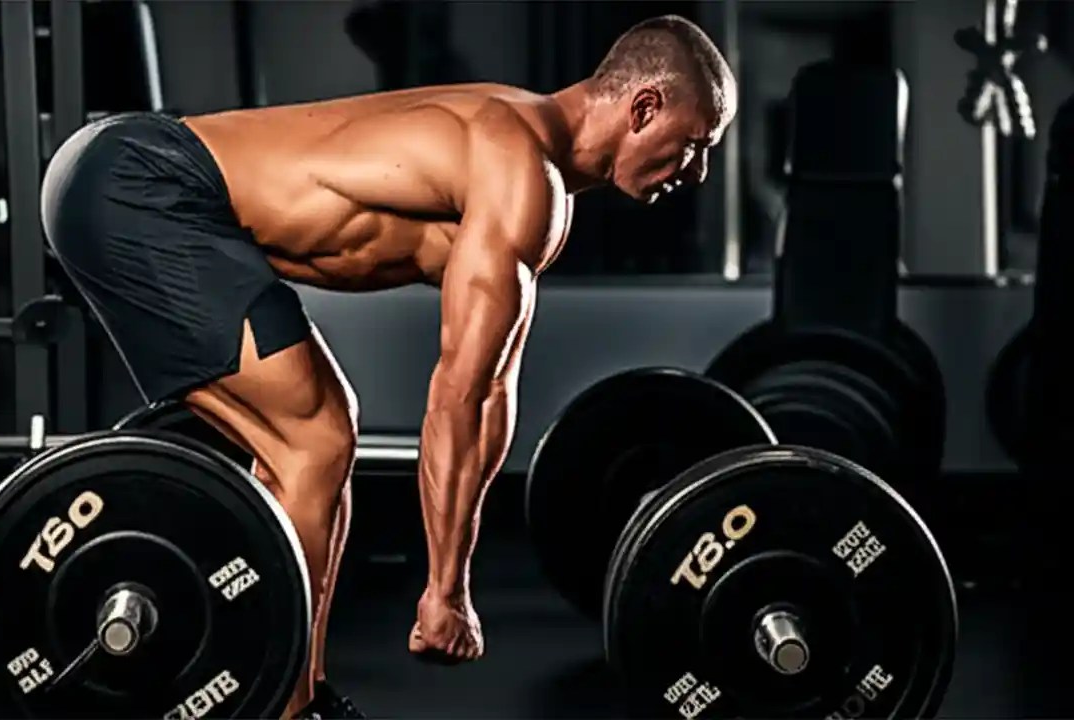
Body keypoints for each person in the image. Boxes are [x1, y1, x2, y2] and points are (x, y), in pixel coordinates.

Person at [40, 14, 736, 720]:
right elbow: (462, 392)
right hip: (144, 184)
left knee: (315, 440)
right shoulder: (520, 173)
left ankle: (290, 694)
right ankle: (279, 703)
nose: (699, 170)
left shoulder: (520, 150)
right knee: (314, 438)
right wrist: (445, 589)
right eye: (697, 144)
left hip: (139, 179)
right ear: (644, 107)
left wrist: (449, 576)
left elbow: (494, 392)